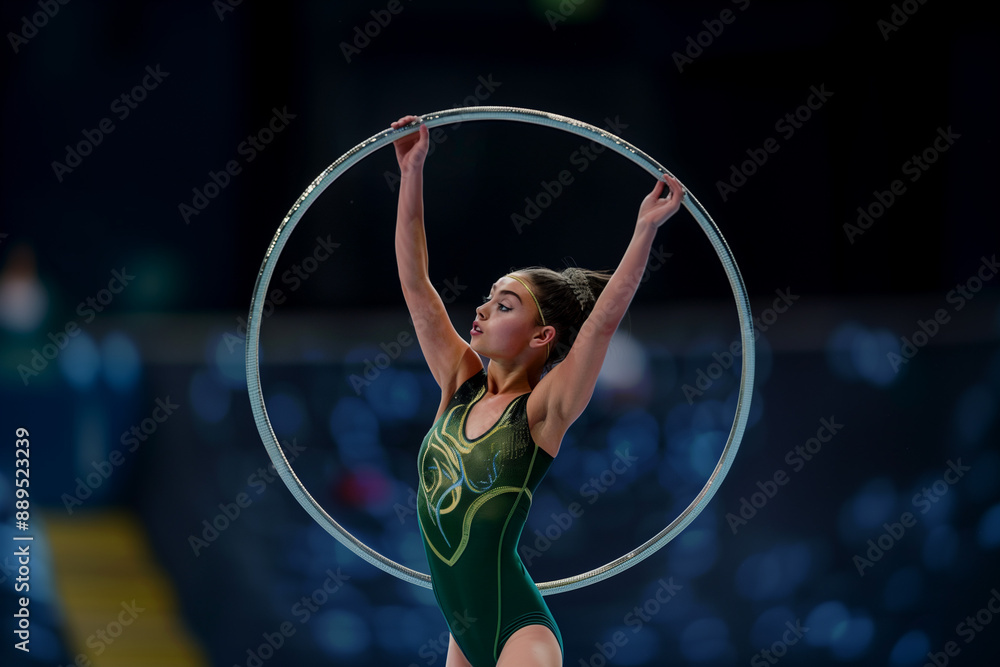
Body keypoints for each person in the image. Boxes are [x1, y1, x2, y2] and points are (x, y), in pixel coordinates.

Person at [390, 114, 684, 667]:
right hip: (463, 632)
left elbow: (599, 326)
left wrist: (644, 231)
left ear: (542, 335)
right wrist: (413, 171)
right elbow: (414, 281)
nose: (481, 309)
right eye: (487, 298)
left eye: (504, 306)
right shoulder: (459, 383)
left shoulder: (541, 414)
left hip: (517, 634)